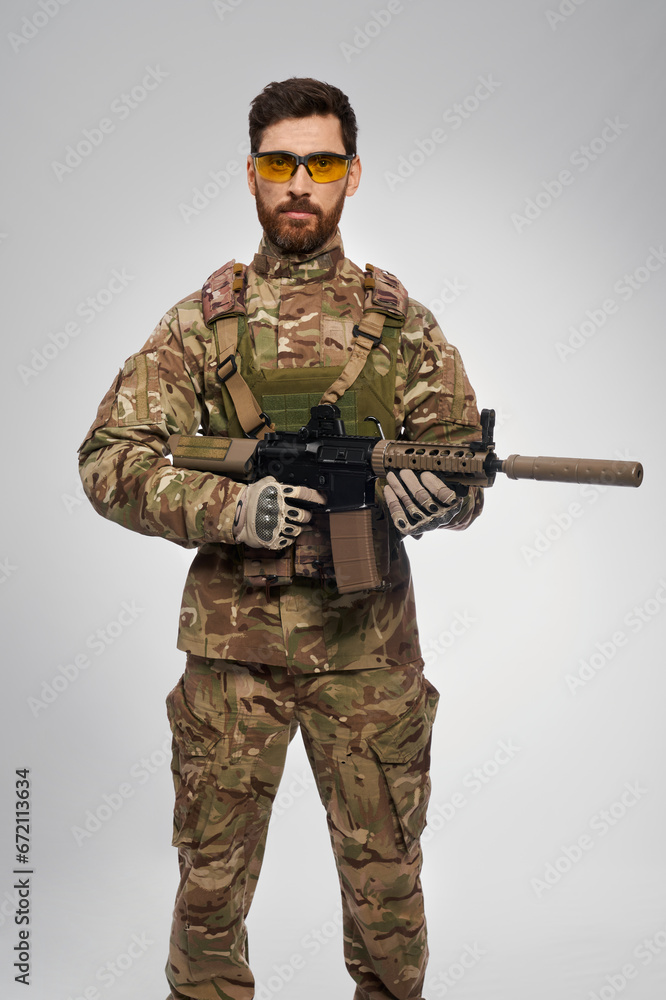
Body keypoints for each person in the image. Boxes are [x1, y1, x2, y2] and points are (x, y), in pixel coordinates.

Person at [78, 77, 484, 1000]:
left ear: (352, 174)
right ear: (251, 174)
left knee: (386, 885)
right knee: (210, 892)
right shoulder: (198, 326)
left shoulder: (401, 324)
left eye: (322, 162)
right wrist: (230, 510)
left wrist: (442, 498)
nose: (300, 183)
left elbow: (459, 462)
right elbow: (108, 460)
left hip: (369, 652)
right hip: (233, 656)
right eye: (279, 163)